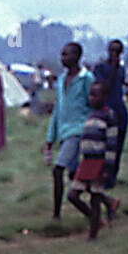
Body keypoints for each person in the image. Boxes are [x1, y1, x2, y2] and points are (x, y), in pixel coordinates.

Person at [67, 81, 122, 240]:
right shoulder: (91, 115)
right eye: (90, 94)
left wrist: (107, 168)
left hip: (99, 162)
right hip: (86, 162)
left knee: (95, 197)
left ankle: (93, 235)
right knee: (73, 195)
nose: (91, 98)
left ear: (104, 96)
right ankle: (98, 218)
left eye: (95, 95)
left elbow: (112, 144)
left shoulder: (109, 116)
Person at [44, 43, 92, 219]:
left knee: (58, 169)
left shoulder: (86, 78)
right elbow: (58, 109)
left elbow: (92, 104)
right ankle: (106, 201)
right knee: (75, 176)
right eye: (62, 55)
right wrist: (51, 137)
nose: (62, 58)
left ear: (77, 57)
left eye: (66, 55)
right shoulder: (62, 79)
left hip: (79, 131)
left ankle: (56, 214)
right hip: (64, 132)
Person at [93, 40, 128, 186]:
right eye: (112, 51)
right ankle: (102, 175)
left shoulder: (121, 69)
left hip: (119, 109)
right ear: (108, 50)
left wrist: (116, 68)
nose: (114, 54)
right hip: (106, 111)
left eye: (118, 51)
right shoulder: (100, 68)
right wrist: (113, 68)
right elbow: (104, 87)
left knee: (118, 146)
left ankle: (112, 176)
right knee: (105, 146)